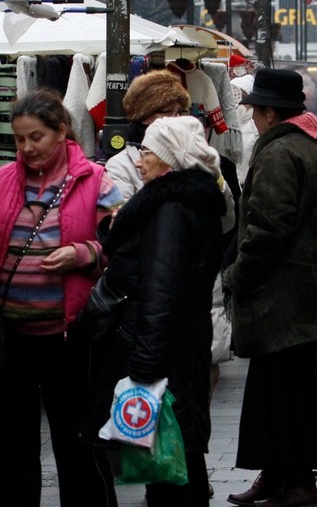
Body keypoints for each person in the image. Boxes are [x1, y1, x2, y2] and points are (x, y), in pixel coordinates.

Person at [0, 89, 123, 507]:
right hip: (9, 336)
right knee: (11, 445)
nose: (27, 148)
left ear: (61, 131)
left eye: (36, 137)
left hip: (72, 338)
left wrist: (84, 253)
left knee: (77, 440)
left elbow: (119, 244)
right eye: (20, 140)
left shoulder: (96, 181)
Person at [88, 116, 230, 506]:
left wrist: (144, 366)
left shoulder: (169, 208)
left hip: (166, 352)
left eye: (147, 152)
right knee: (182, 452)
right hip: (184, 345)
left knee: (170, 458)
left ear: (168, 158)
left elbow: (161, 291)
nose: (138, 160)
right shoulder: (193, 201)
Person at [223, 69, 317, 507]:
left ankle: (296, 483)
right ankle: (277, 476)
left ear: (270, 113)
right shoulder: (307, 147)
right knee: (281, 392)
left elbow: (268, 229)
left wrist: (238, 276)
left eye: (254, 110)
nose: (251, 118)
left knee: (286, 393)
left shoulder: (279, 153)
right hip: (298, 293)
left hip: (281, 297)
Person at [104, 70, 190, 201]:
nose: (176, 118)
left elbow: (227, 217)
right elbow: (123, 218)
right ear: (144, 117)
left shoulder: (188, 156)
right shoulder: (121, 166)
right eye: (168, 112)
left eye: (179, 112)